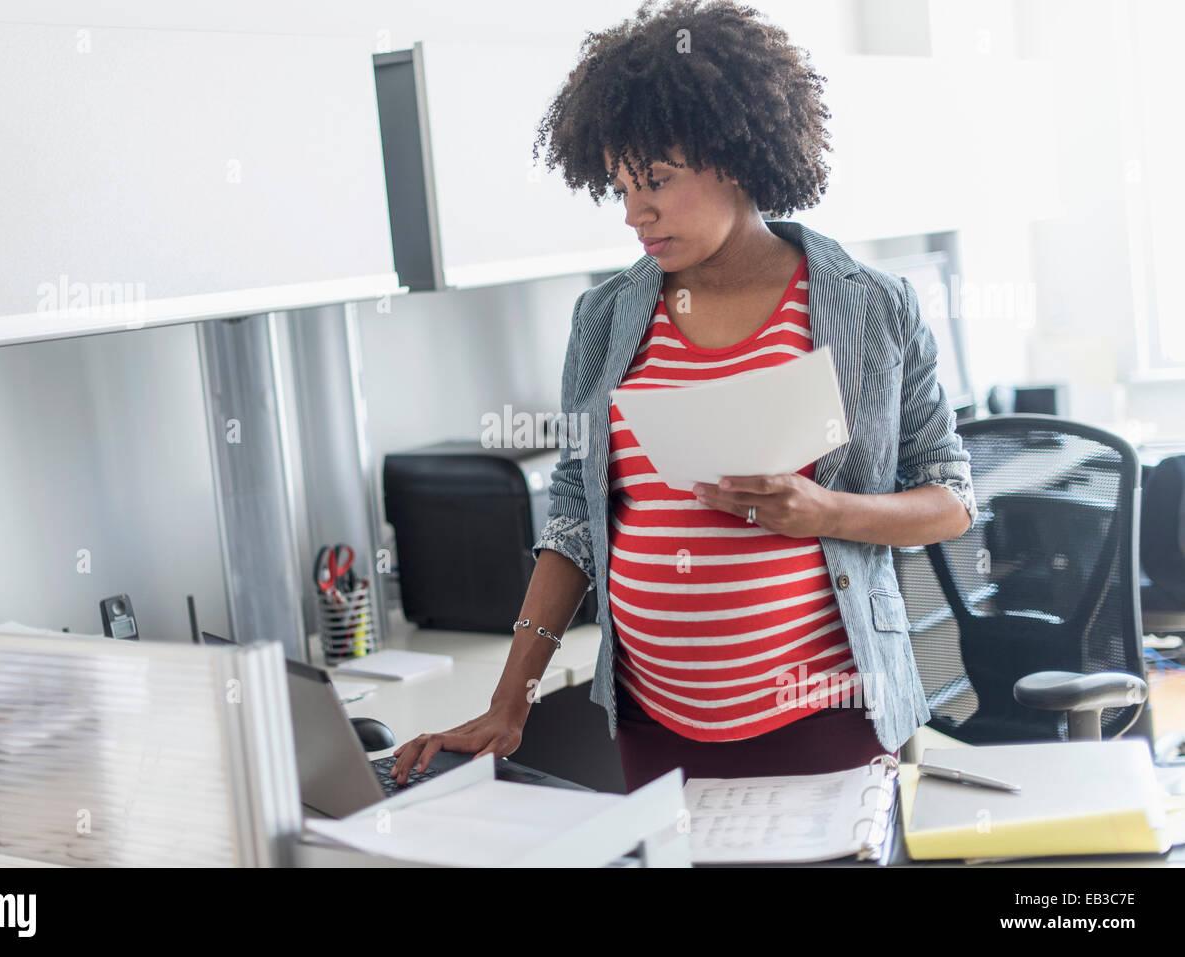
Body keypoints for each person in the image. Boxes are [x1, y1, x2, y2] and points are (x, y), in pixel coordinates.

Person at [391, 0, 978, 792]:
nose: (635, 213)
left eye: (657, 182)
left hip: (825, 713)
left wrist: (825, 511)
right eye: (620, 188)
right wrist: (511, 699)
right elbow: (573, 519)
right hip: (653, 721)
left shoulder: (870, 306)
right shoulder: (604, 320)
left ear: (731, 156)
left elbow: (952, 500)